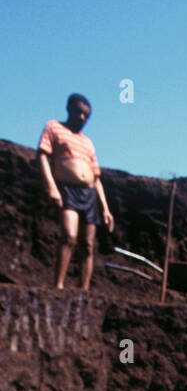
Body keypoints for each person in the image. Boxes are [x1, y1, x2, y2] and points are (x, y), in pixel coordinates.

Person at [37, 93, 114, 291]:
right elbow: (43, 156)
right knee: (69, 236)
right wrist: (51, 186)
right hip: (67, 190)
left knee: (88, 244)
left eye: (86, 115)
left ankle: (84, 290)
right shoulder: (54, 127)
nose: (82, 118)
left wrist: (105, 208)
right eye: (79, 112)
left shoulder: (88, 142)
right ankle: (58, 286)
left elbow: (96, 178)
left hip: (89, 195)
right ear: (69, 109)